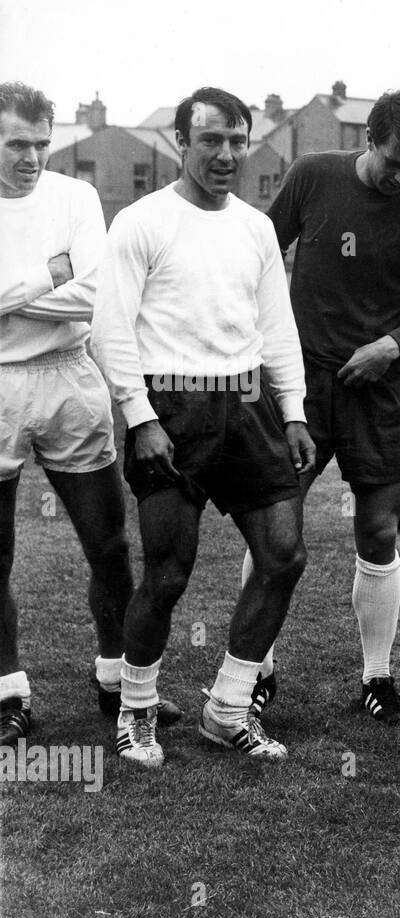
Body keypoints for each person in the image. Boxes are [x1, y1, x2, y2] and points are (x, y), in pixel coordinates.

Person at [91, 87, 314, 765]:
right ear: (181, 144)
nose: (225, 154)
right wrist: (142, 418)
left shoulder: (253, 227)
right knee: (167, 572)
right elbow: (110, 329)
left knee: (284, 554)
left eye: (237, 140)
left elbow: (277, 326)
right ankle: (136, 711)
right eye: (211, 140)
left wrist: (296, 410)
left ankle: (228, 706)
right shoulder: (141, 222)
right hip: (171, 410)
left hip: (248, 408)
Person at [268, 89, 400, 725]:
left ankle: (377, 677)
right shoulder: (311, 177)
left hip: (381, 386)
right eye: (393, 161)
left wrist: (389, 346)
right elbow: (261, 259)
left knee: (379, 531)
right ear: (370, 138)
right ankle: (258, 668)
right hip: (302, 384)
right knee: (276, 527)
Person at [0, 80, 181, 758]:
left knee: (108, 544)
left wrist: (21, 295)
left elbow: (97, 293)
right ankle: (10, 692)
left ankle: (116, 677)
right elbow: (69, 287)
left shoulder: (75, 197)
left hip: (71, 377)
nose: (32, 157)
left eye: (42, 144)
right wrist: (48, 279)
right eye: (17, 144)